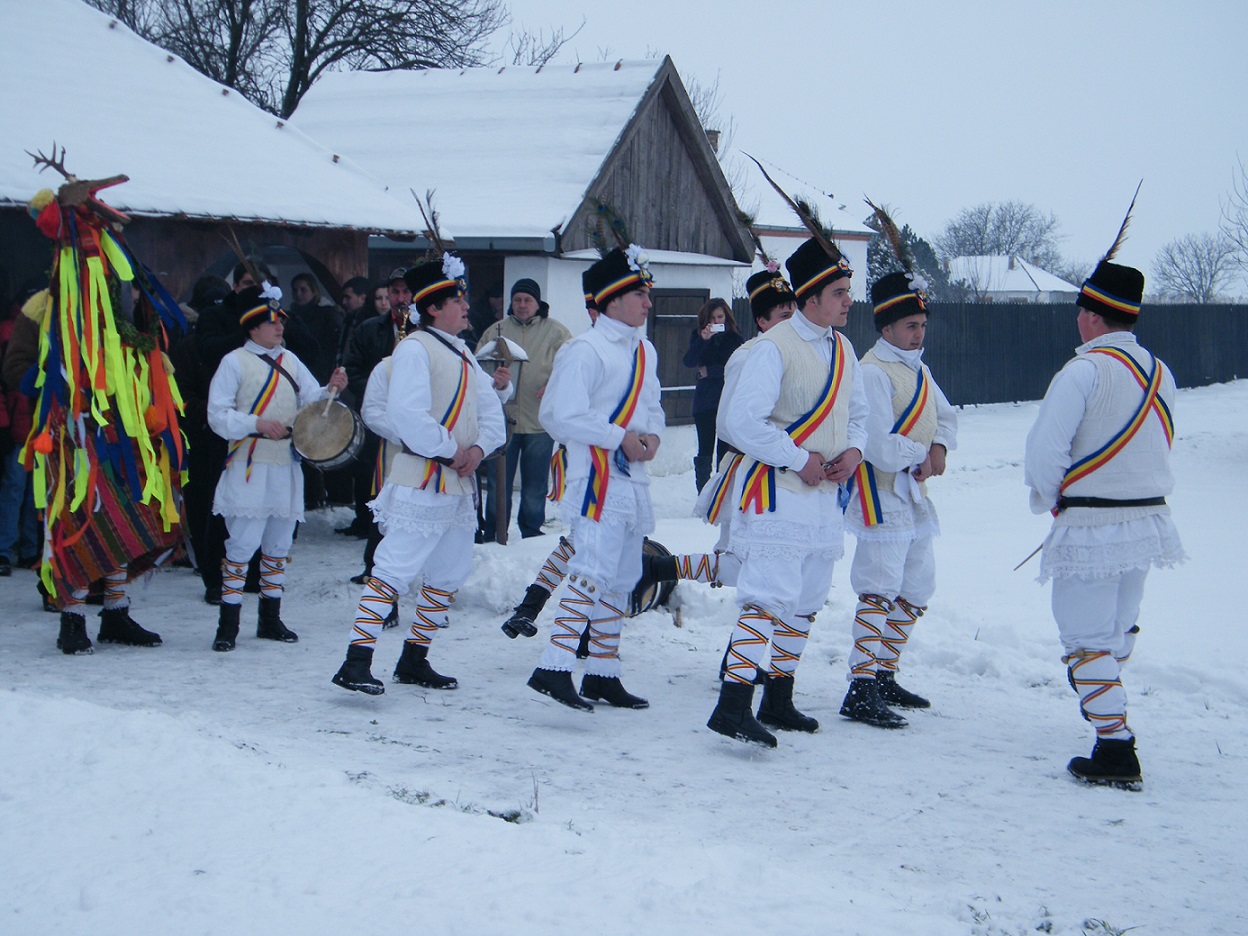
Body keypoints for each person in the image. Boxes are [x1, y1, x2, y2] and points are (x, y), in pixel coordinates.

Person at [1024, 236, 1183, 790]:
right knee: (1115, 631)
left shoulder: (1082, 373)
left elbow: (1045, 453)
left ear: (1091, 317)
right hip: (1146, 524)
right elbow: (1163, 442)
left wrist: (1051, 501)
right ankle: (1105, 712)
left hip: (1092, 524)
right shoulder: (1160, 373)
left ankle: (1114, 746)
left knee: (1086, 637)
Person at [706, 235, 868, 747]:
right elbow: (740, 422)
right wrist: (801, 458)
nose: (848, 300)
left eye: (849, 290)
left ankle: (779, 697)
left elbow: (859, 416)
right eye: (840, 291)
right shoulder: (772, 348)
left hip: (823, 498)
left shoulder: (845, 348)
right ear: (812, 296)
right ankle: (732, 704)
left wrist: (855, 453)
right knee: (768, 597)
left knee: (806, 599)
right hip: (777, 489)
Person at [22, 172, 187, 654]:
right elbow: (17, 367)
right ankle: (72, 620)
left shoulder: (124, 316)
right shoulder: (47, 308)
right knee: (79, 521)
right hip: (71, 433)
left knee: (128, 518)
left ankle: (116, 613)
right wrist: (61, 393)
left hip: (120, 432)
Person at [331, 252, 506, 695]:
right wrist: (452, 451)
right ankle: (356, 660)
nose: (467, 307)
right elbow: (406, 416)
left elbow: (492, 416)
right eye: (457, 300)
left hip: (458, 484)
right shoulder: (413, 349)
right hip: (422, 478)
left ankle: (414, 658)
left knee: (448, 573)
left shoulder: (465, 352)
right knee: (393, 567)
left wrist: (479, 449)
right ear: (432, 307)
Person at [525, 246, 665, 712]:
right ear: (612, 299)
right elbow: (559, 415)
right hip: (596, 480)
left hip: (633, 481)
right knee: (591, 570)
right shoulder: (583, 350)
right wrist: (619, 436)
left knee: (622, 577)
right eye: (640, 293)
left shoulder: (645, 350)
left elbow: (655, 408)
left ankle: (603, 673)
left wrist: (653, 439)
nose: (648, 302)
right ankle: (555, 665)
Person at [840, 270, 958, 729]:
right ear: (886, 328)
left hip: (912, 493)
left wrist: (940, 449)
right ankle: (861, 684)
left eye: (922, 326)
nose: (919, 334)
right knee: (879, 586)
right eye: (910, 326)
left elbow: (945, 417)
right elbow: (878, 446)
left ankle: (885, 671)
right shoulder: (871, 372)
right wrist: (922, 454)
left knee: (916, 585)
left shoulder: (920, 369)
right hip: (879, 493)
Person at [206, 284, 348, 651]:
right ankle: (228, 624)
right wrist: (256, 423)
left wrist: (330, 389)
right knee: (242, 544)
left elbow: (311, 397)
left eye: (280, 321)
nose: (280, 328)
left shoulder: (290, 360)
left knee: (278, 544)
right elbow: (217, 415)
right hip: (250, 462)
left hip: (286, 464)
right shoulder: (234, 362)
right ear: (253, 327)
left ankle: (270, 619)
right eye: (272, 322)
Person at [476, 278, 571, 540]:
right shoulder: (495, 331)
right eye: (517, 299)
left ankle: (531, 529)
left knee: (535, 483)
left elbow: (572, 368)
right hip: (501, 421)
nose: (522, 305)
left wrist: (553, 386)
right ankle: (494, 530)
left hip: (540, 421)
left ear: (538, 303)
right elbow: (477, 367)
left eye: (528, 300)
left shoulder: (557, 333)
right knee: (498, 482)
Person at [683, 297, 743, 491]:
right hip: (704, 401)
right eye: (713, 319)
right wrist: (703, 340)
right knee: (704, 450)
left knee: (725, 451)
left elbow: (735, 368)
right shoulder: (699, 336)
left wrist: (710, 371)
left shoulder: (735, 338)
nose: (717, 322)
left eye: (720, 317)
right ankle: (703, 493)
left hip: (727, 400)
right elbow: (689, 361)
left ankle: (722, 491)